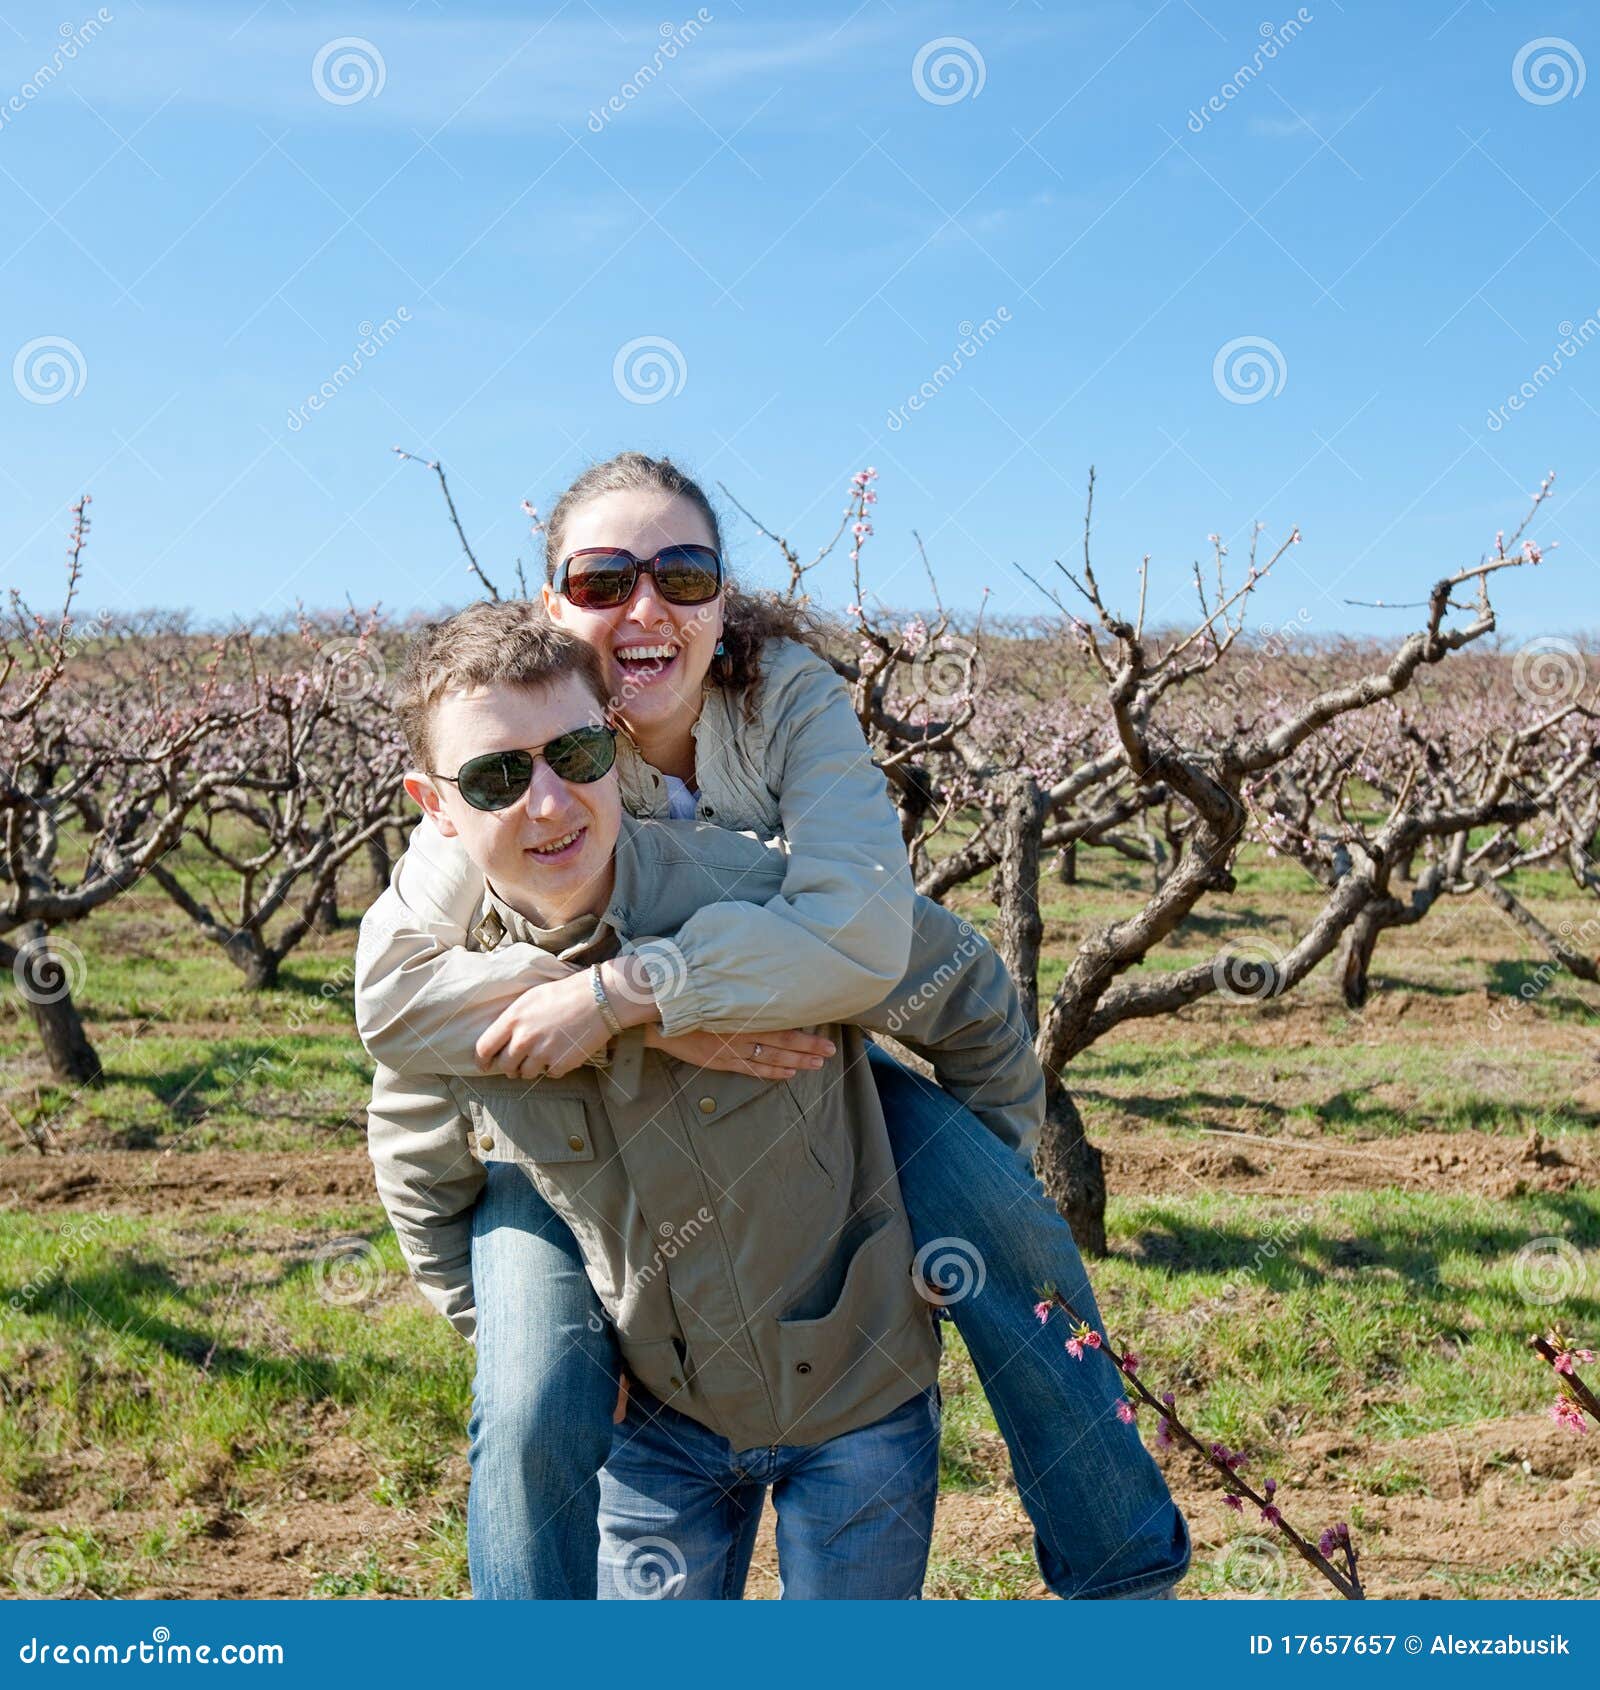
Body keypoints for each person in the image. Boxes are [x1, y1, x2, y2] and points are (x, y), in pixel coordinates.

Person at [355, 451, 1189, 1601]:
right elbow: (398, 1011)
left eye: (684, 573)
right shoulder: (503, 764)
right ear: (553, 611)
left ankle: (1126, 1587)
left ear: (721, 598)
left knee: (1010, 1237)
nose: (645, 605)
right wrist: (640, 1019)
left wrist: (632, 994)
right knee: (531, 1388)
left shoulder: (783, 702)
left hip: (817, 1046)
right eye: (603, 581)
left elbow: (873, 939)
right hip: (589, 1142)